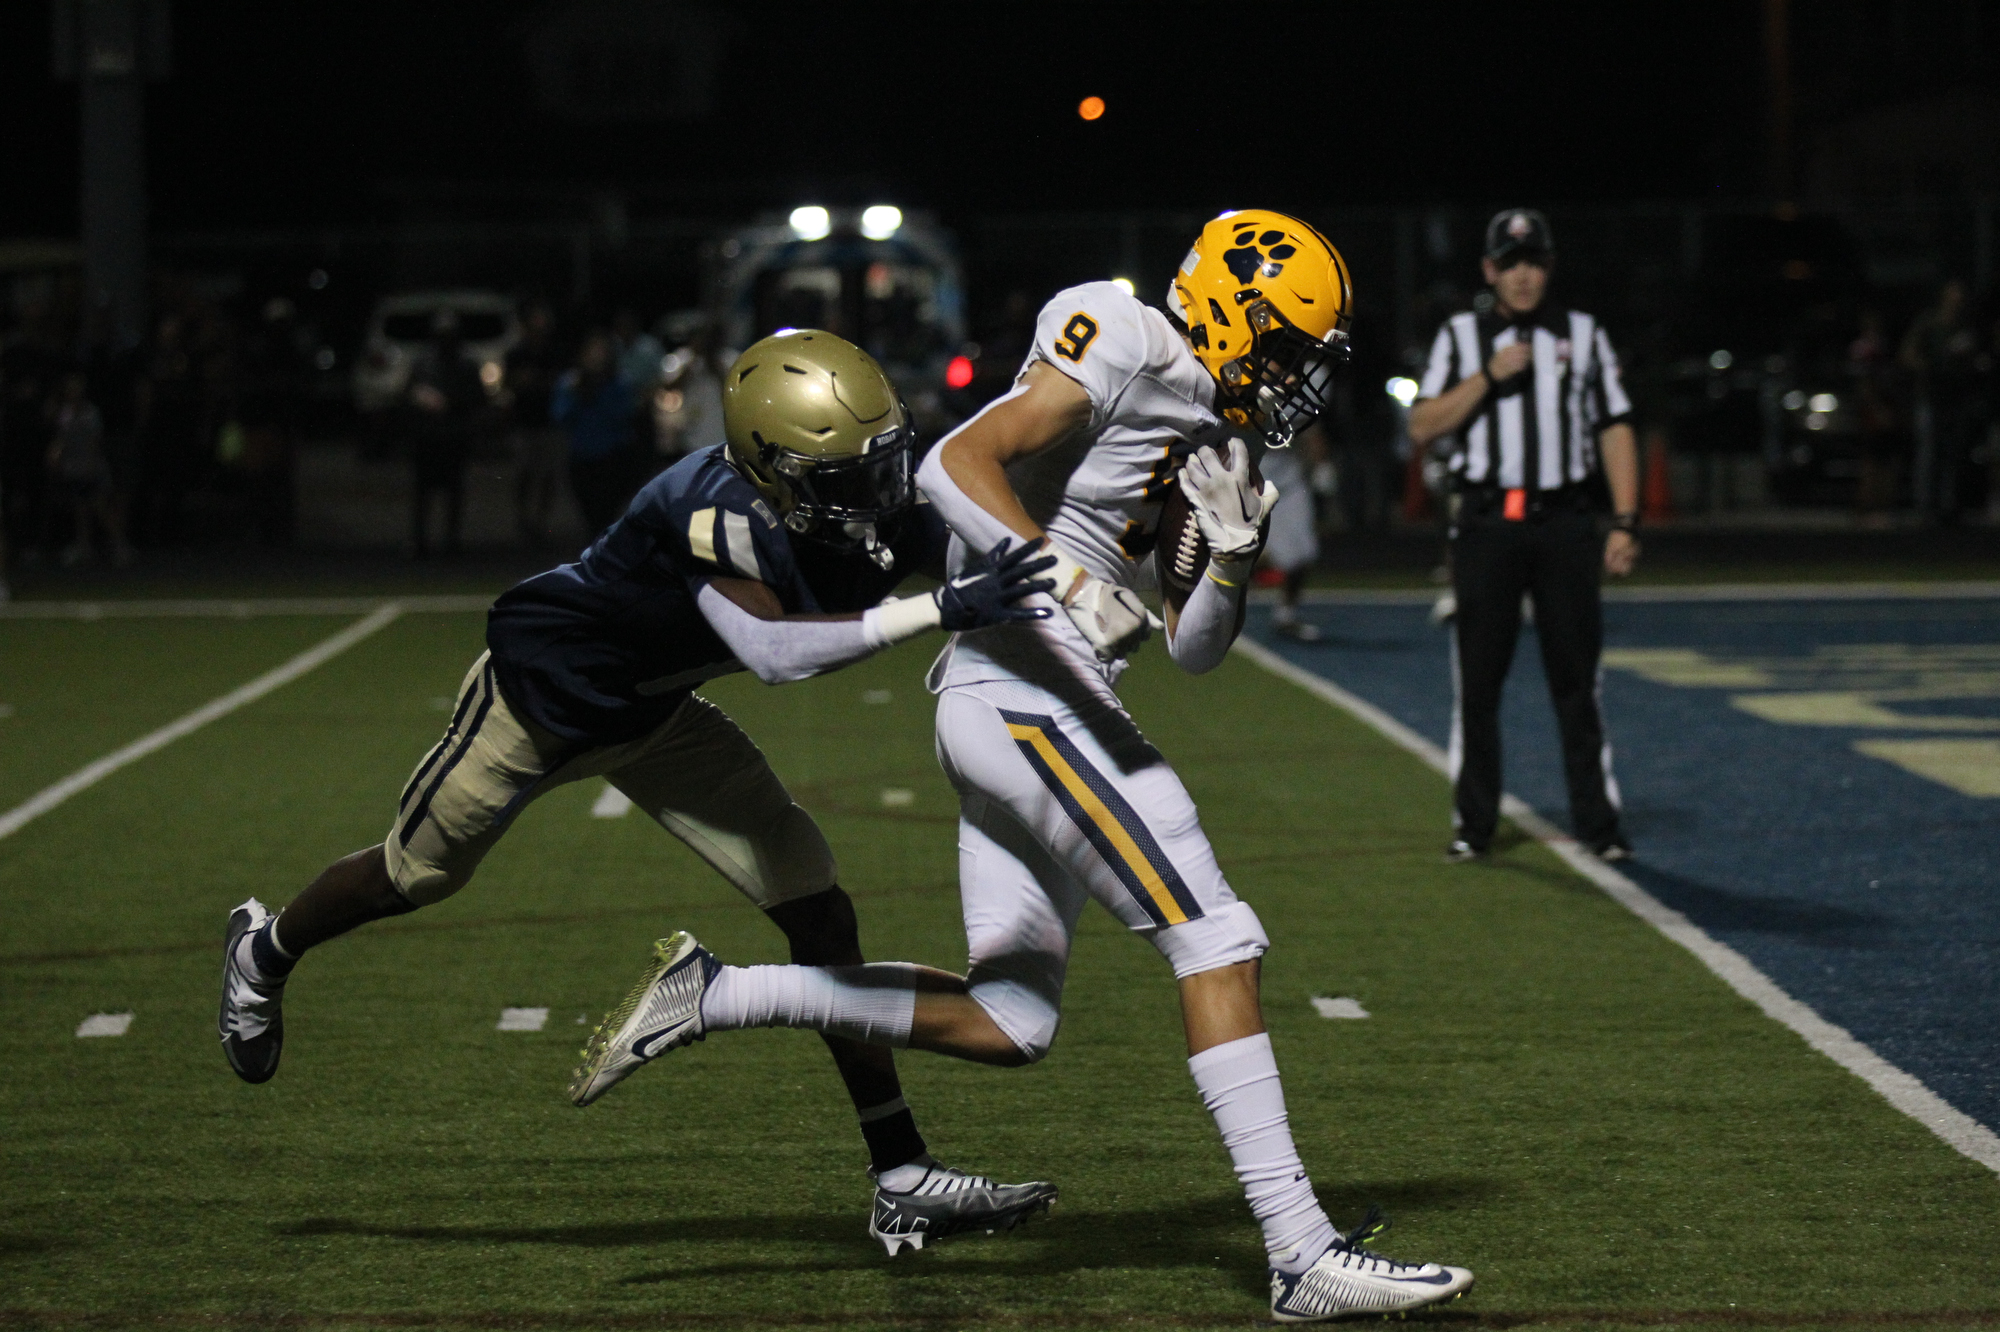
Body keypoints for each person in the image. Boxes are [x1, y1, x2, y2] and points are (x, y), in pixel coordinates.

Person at [570, 212, 1474, 1322]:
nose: (1292, 382)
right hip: (1024, 686)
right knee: (1217, 937)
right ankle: (1298, 1252)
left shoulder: (1213, 432)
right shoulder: (1132, 337)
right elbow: (957, 463)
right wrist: (1067, 579)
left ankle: (716, 994)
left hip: (1021, 695)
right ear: (1234, 312)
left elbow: (1190, 650)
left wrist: (1229, 565)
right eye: (1286, 350)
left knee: (1010, 1021)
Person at [217, 330, 1060, 1251]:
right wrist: (937, 609)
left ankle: (900, 1173)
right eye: (844, 475)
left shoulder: (850, 485)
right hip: (541, 705)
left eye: (880, 462)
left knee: (816, 904)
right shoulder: (708, 509)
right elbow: (777, 655)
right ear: (770, 466)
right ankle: (266, 949)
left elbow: (991, 559)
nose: (876, 492)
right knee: (411, 878)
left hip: (656, 715)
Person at [1406, 209, 1639, 864]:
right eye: (1511, 264)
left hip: (1565, 521)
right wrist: (1487, 376)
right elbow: (1423, 425)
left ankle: (1599, 824)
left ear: (1549, 267)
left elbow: (1615, 424)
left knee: (1577, 682)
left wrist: (1624, 518)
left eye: (1534, 262)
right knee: (1478, 684)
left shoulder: (1583, 334)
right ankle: (1473, 825)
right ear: (1489, 271)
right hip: (1485, 524)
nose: (1524, 276)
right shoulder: (1460, 336)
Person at [406, 315, 483, 558]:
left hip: (454, 436)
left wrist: (448, 404)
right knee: (423, 493)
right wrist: (420, 399)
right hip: (427, 437)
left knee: (454, 492)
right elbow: (408, 392)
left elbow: (477, 397)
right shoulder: (423, 363)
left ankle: (451, 541)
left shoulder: (466, 364)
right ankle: (420, 542)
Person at [553, 331, 641, 534]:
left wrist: (598, 392)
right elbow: (560, 415)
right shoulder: (570, 382)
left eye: (601, 351)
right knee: (589, 515)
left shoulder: (619, 382)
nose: (596, 357)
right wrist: (579, 393)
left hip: (612, 458)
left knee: (605, 513)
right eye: (592, 351)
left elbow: (625, 414)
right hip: (582, 458)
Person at [47, 371, 132, 567]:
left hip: (91, 468)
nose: (72, 392)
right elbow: (60, 437)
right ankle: (83, 547)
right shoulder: (64, 412)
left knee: (100, 508)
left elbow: (95, 442)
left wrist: (91, 467)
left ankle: (120, 546)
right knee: (80, 509)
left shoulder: (90, 413)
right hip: (73, 468)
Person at [1263, 421, 1329, 641]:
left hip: (1290, 480)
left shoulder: (1291, 396)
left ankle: (1285, 614)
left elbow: (1311, 429)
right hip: (1253, 480)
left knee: (1304, 553)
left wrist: (1320, 465)